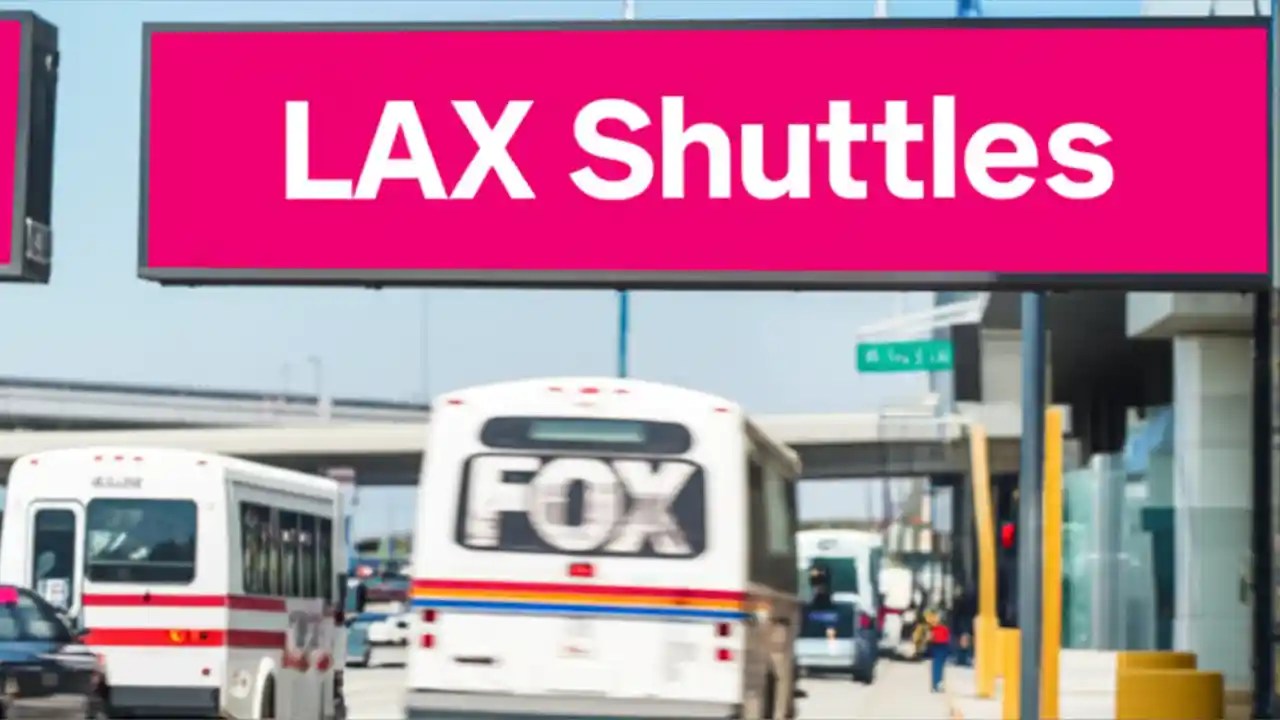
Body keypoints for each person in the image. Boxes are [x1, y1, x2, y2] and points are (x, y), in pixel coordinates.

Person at [925, 609, 951, 692]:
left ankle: (936, 685)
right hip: (941, 645)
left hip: (937, 645)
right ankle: (937, 684)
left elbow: (929, 637)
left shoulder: (932, 625)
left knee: (937, 665)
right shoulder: (942, 627)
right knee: (938, 666)